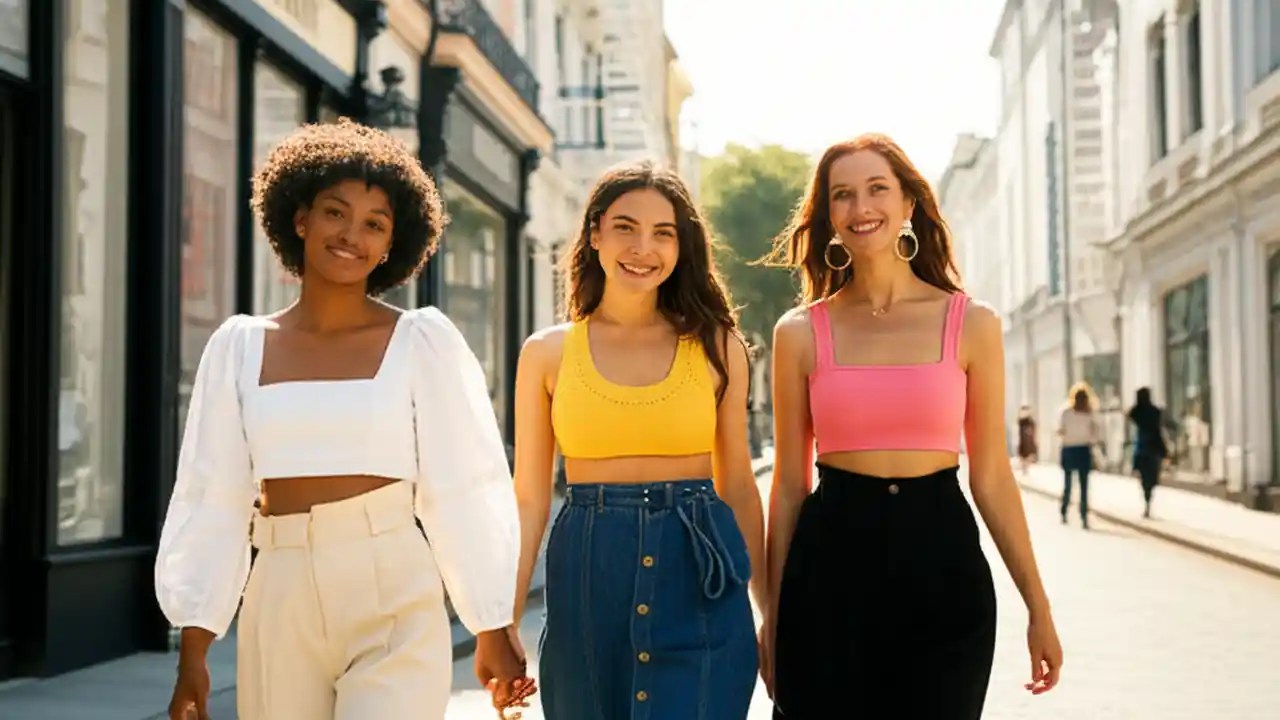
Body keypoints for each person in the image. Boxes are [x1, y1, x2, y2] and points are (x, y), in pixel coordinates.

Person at [155, 119, 532, 720]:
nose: (351, 235)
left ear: (392, 245)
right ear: (300, 218)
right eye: (335, 213)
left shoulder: (421, 342)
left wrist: (491, 623)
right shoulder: (238, 348)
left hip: (393, 590)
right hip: (278, 592)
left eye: (374, 224)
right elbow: (213, 496)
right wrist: (193, 653)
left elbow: (463, 486)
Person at [762, 133, 1063, 719]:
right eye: (842, 195)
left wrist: (1038, 606)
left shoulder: (971, 322)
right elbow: (790, 487)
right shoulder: (799, 332)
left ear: (909, 205)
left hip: (942, 569)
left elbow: (994, 477)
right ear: (828, 218)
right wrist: (773, 616)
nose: (860, 207)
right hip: (828, 572)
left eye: (877, 188)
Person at [511, 161, 765, 719]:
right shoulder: (547, 354)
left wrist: (771, 614)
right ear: (595, 234)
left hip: (701, 574)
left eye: (663, 233)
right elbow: (528, 500)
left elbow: (740, 487)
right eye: (626, 226)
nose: (643, 247)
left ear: (681, 247)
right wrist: (502, 618)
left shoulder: (718, 346)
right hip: (588, 575)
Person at [1058, 383, 1100, 529]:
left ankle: (1064, 511)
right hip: (1083, 450)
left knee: (1068, 484)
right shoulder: (1090, 413)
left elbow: (1061, 430)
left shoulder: (1066, 412)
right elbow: (1095, 433)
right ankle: (1083, 516)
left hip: (1069, 449)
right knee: (1084, 485)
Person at [1128, 387, 1169, 518]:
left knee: (1144, 477)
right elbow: (1158, 430)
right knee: (1151, 476)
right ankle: (1148, 502)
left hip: (1142, 447)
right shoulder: (1155, 411)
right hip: (1153, 447)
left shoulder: (1137, 412)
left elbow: (1129, 413)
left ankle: (1147, 503)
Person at [1017, 405, 1038, 475]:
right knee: (1023, 456)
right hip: (1023, 441)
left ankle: (1025, 468)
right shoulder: (1021, 421)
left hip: (1029, 442)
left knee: (1028, 456)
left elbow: (1033, 432)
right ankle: (1024, 468)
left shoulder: (1031, 422)